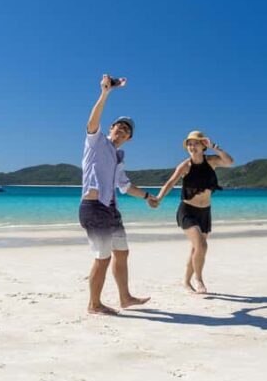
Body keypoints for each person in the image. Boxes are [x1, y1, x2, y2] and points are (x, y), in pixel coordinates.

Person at [79, 74, 156, 315]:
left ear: (129, 139)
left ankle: (125, 297)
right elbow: (92, 122)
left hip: (111, 210)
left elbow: (125, 186)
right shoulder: (96, 143)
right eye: (119, 127)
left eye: (126, 131)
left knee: (122, 252)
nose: (121, 131)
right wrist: (105, 93)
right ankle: (94, 304)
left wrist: (146, 197)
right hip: (93, 209)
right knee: (102, 258)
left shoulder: (118, 158)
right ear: (110, 129)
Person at [155, 130, 234, 294]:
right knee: (202, 245)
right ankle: (198, 279)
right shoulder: (185, 166)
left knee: (196, 249)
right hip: (187, 211)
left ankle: (185, 281)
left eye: (195, 143)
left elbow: (229, 162)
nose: (192, 146)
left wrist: (214, 147)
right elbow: (170, 183)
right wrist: (159, 198)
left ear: (203, 146)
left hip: (205, 212)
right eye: (189, 144)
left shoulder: (211, 161)